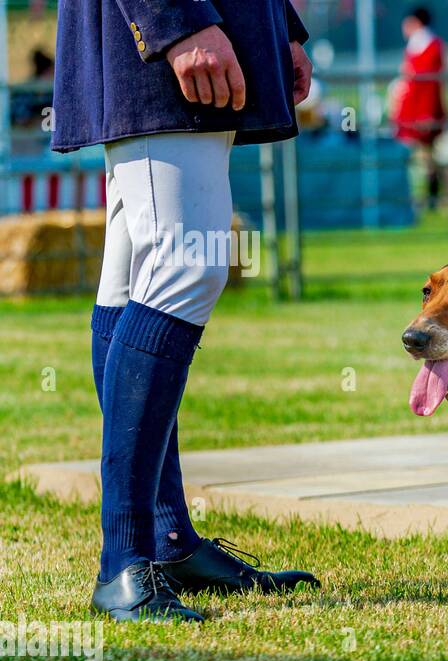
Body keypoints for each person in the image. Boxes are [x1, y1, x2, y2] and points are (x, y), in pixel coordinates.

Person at [53, 0, 320, 623]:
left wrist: (280, 27)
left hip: (200, 25)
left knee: (130, 278)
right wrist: (175, 20)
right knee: (184, 265)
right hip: (168, 32)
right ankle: (124, 560)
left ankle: (166, 542)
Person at [390, 6, 447, 207]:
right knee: (421, 158)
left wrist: (427, 113)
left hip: (423, 111)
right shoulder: (416, 45)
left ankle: (432, 198)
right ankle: (423, 198)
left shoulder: (430, 46)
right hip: (412, 111)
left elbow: (431, 84)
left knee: (428, 157)